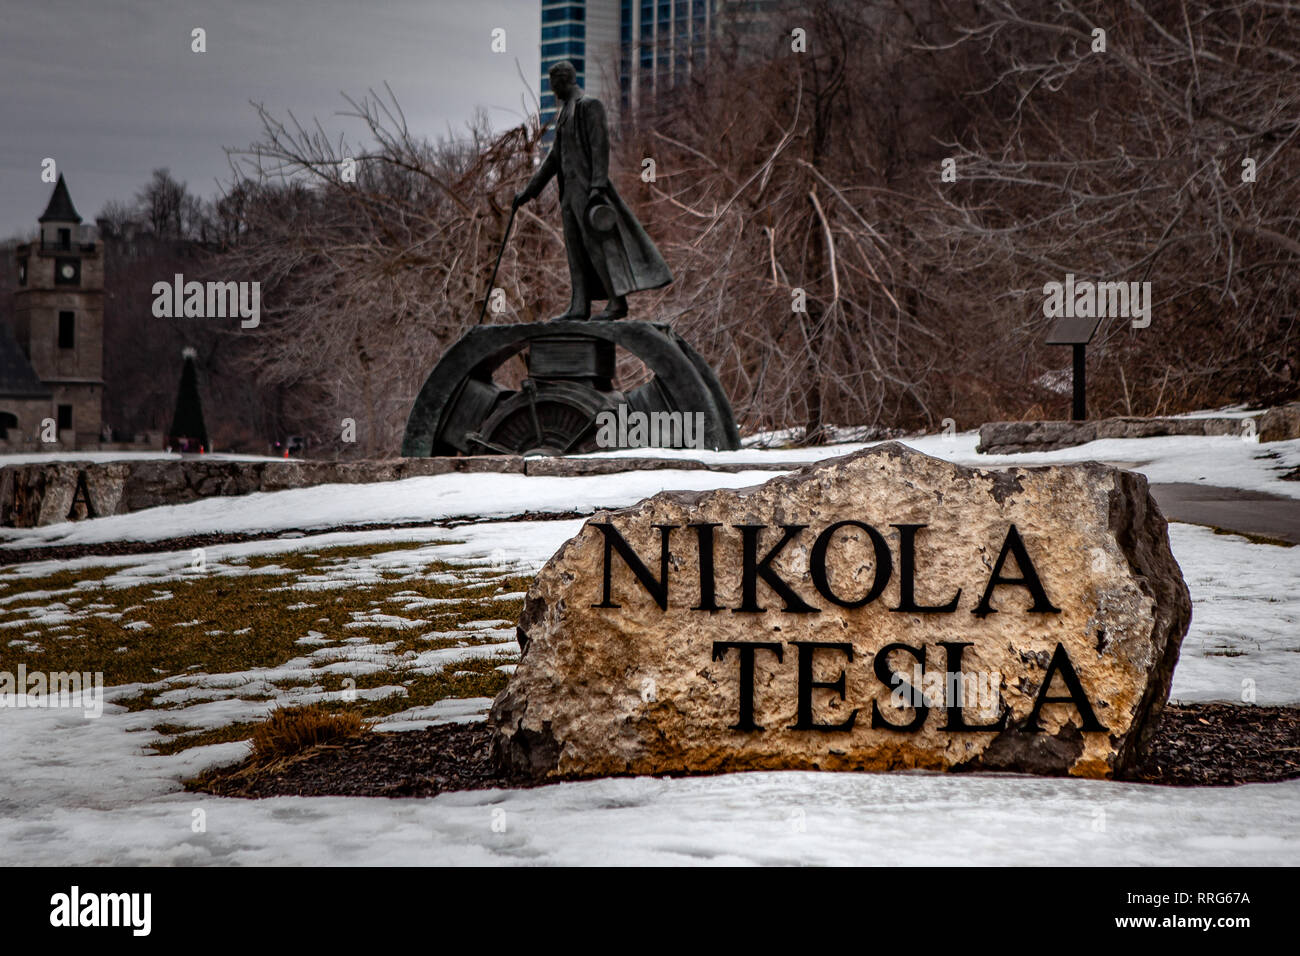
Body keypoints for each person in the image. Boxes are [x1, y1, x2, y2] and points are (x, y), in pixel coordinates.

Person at [513, 60, 672, 321]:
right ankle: (579, 305)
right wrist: (528, 193)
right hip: (569, 196)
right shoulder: (565, 113)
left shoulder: (589, 106)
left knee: (597, 248)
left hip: (587, 192)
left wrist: (597, 186)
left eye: (554, 85)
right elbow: (554, 159)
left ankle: (616, 302)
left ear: (564, 81)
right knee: (575, 251)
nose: (553, 90)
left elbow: (600, 147)